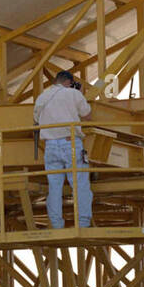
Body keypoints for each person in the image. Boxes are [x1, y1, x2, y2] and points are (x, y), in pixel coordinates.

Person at [33, 69, 93, 228]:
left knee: (54, 187)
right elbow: (87, 115)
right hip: (70, 142)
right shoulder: (73, 94)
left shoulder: (42, 97)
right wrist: (79, 93)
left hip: (50, 145)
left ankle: (56, 224)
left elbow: (36, 118)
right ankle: (83, 223)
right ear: (69, 82)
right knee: (80, 184)